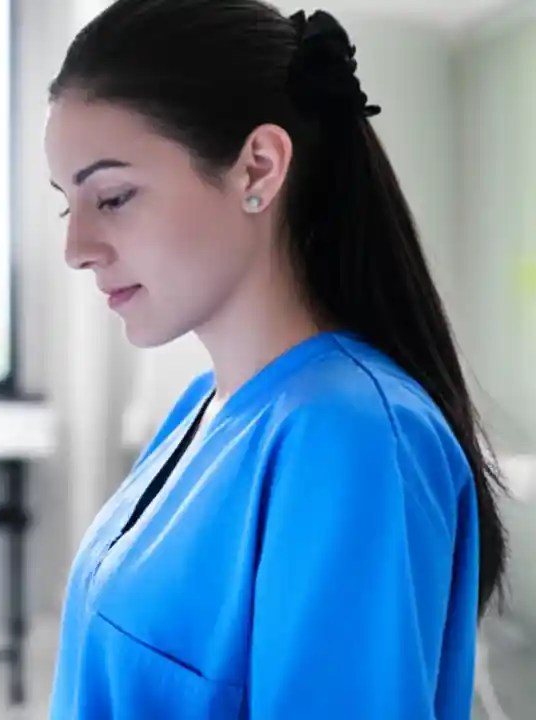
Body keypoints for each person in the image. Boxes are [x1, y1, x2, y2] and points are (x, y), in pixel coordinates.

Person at [44, 2, 507, 718]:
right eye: (66, 206)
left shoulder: (351, 438)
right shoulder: (206, 407)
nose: (76, 248)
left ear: (258, 167)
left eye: (113, 197)